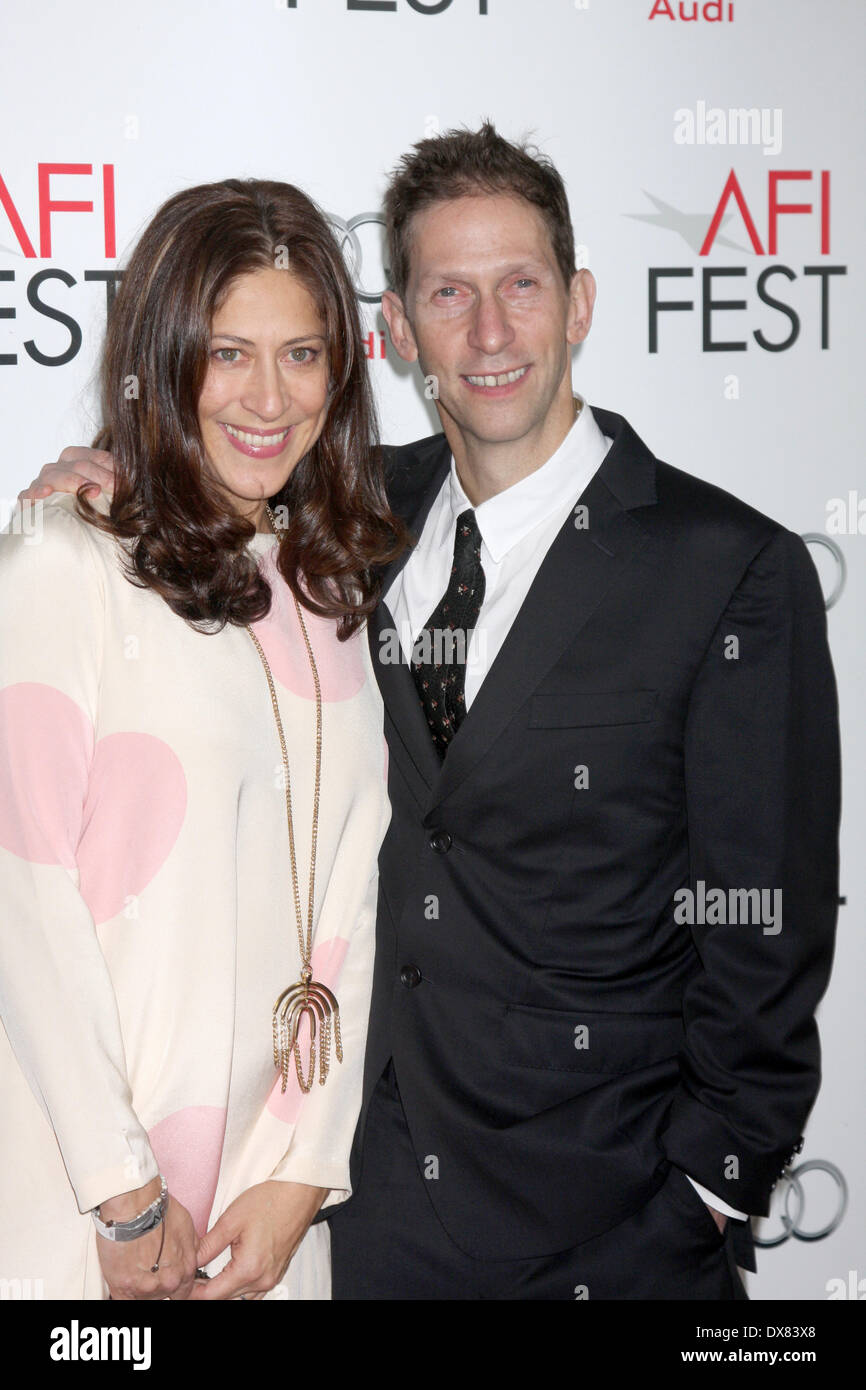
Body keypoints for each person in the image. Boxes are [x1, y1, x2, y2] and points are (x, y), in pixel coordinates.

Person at [27, 124, 841, 1301]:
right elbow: (206, 455)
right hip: (354, 1224)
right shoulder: (344, 524)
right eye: (448, 294)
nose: (490, 331)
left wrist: (698, 1204)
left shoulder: (725, 569)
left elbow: (766, 934)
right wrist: (99, 475)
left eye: (521, 285)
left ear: (580, 303)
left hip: (612, 1234)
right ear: (398, 333)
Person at [1, 178, 402, 1300]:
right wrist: (123, 1193)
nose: (268, 396)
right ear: (160, 355)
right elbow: (19, 897)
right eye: (226, 353)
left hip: (264, 1216)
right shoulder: (60, 566)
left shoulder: (325, 589)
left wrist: (305, 1175)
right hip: (78, 1206)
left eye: (303, 353)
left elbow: (347, 900)